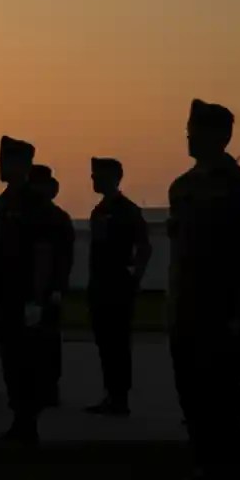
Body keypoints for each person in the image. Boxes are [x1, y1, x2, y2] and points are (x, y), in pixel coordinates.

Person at [166, 99, 240, 480]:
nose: (190, 135)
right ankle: (203, 470)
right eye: (190, 128)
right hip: (185, 309)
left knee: (221, 399)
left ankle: (227, 477)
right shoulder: (183, 187)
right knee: (191, 398)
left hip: (220, 312)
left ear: (222, 137)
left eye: (200, 130)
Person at [0, 136, 57, 444]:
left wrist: (37, 299)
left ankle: (27, 423)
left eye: (8, 160)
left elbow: (43, 252)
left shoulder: (34, 203)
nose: (2, 166)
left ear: (23, 165)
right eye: (1, 160)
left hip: (25, 294)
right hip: (5, 293)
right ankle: (19, 420)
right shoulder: (2, 203)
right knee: (11, 360)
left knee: (27, 361)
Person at [85, 157, 151, 417]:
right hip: (99, 285)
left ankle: (119, 397)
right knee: (105, 342)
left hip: (117, 286)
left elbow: (144, 246)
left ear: (113, 177)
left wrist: (135, 277)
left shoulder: (128, 210)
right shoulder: (99, 210)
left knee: (118, 343)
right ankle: (111, 394)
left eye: (98, 175)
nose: (93, 180)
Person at [29, 165, 73, 409]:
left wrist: (57, 286)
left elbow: (63, 256)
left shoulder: (56, 218)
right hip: (30, 286)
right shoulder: (29, 216)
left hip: (48, 289)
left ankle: (49, 388)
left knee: (48, 340)